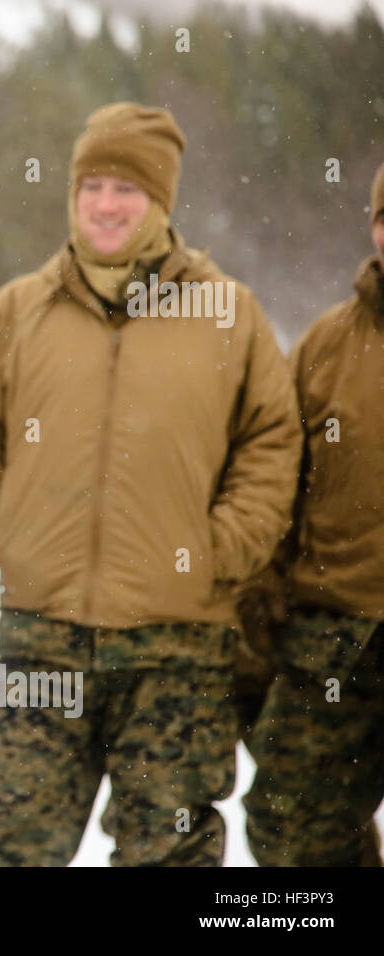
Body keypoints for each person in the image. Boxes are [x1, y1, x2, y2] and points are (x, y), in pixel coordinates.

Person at [0, 102, 301, 866]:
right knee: (12, 846)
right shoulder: (20, 310)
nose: (106, 204)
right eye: (92, 185)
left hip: (178, 646)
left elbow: (273, 442)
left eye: (127, 189)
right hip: (42, 640)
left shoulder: (227, 313)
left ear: (161, 201)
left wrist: (221, 548)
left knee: (167, 854)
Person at [242, 161, 384, 867]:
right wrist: (258, 616)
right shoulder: (325, 347)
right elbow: (277, 492)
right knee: (291, 831)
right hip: (334, 638)